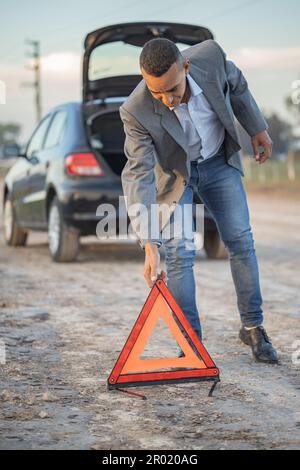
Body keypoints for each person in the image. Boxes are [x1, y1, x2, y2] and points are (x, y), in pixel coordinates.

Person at [119, 38, 278, 364]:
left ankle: (253, 327)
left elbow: (236, 85)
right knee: (178, 253)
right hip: (176, 178)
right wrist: (149, 241)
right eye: (156, 93)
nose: (166, 100)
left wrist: (257, 128)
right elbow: (138, 175)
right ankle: (190, 343)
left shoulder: (211, 58)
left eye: (172, 89)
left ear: (186, 68)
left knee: (240, 241)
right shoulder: (135, 111)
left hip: (219, 163)